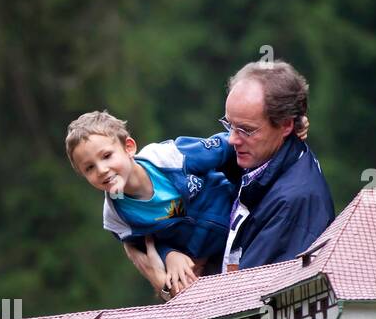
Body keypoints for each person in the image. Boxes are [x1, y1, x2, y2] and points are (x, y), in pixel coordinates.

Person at [66, 110, 236, 299]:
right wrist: (170, 255)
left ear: (129, 147)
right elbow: (146, 247)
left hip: (243, 218)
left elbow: (227, 146)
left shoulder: (171, 157)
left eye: (106, 156)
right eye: (89, 168)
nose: (102, 170)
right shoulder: (117, 217)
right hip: (211, 260)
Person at [219, 61, 334, 273]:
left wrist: (163, 278)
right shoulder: (256, 159)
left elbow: (246, 300)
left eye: (246, 130)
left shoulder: (292, 204)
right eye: (229, 125)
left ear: (285, 125)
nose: (231, 140)